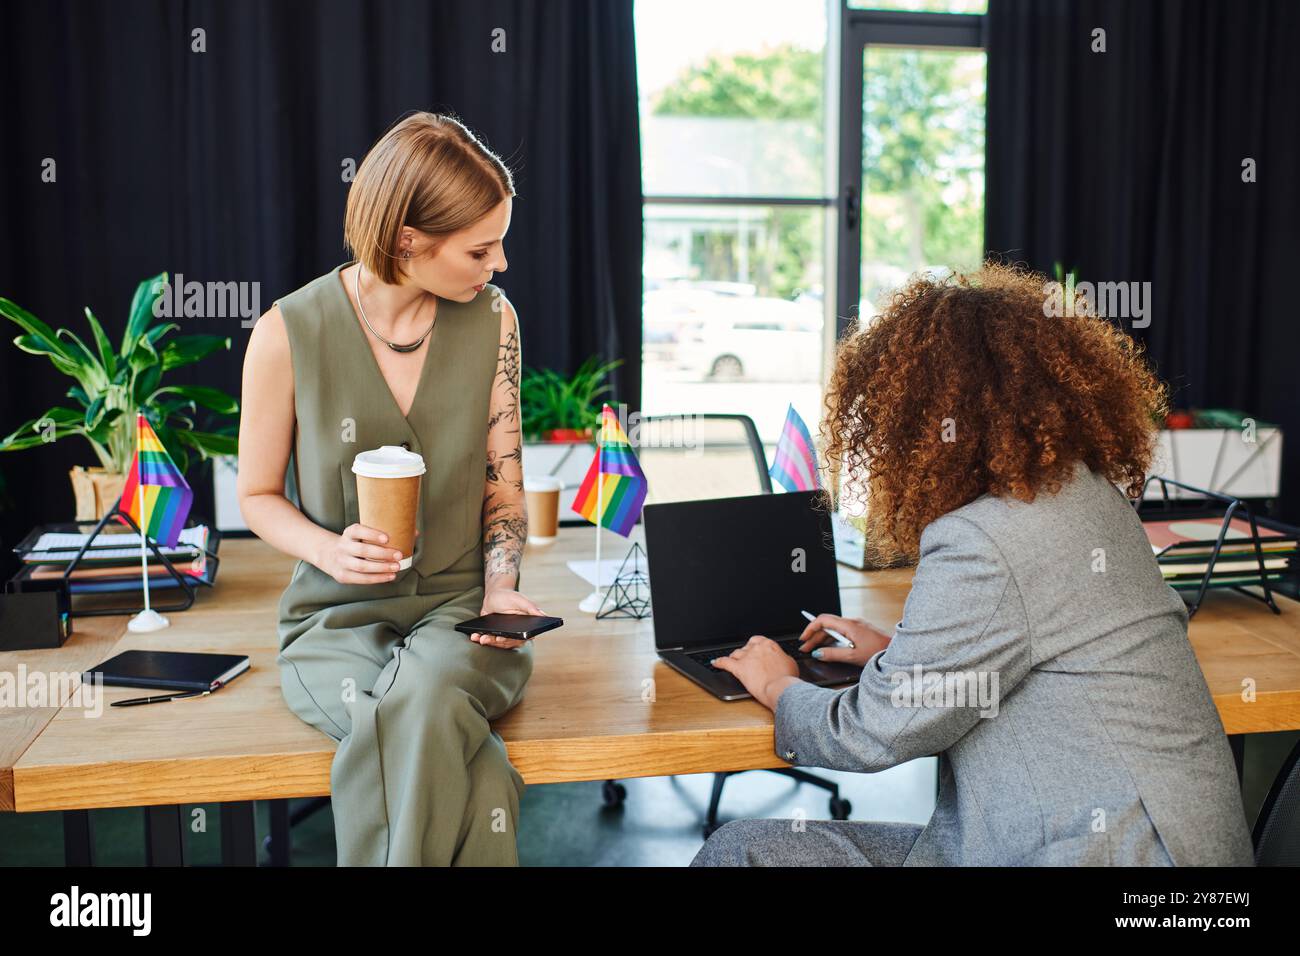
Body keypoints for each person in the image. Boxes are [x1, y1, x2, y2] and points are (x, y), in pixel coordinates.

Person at [692, 262, 1256, 867]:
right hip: (1182, 856)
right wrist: (900, 656)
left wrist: (778, 683)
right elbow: (1035, 651)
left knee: (742, 853)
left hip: (1106, 856)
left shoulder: (981, 535)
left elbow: (873, 732)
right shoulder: (1090, 498)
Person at [238, 112, 545, 866]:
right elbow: (255, 496)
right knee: (453, 753)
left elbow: (503, 488)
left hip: (465, 610)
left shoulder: (495, 320)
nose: (499, 264)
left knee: (422, 701)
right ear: (409, 240)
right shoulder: (287, 332)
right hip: (333, 620)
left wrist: (502, 587)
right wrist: (327, 549)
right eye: (480, 248)